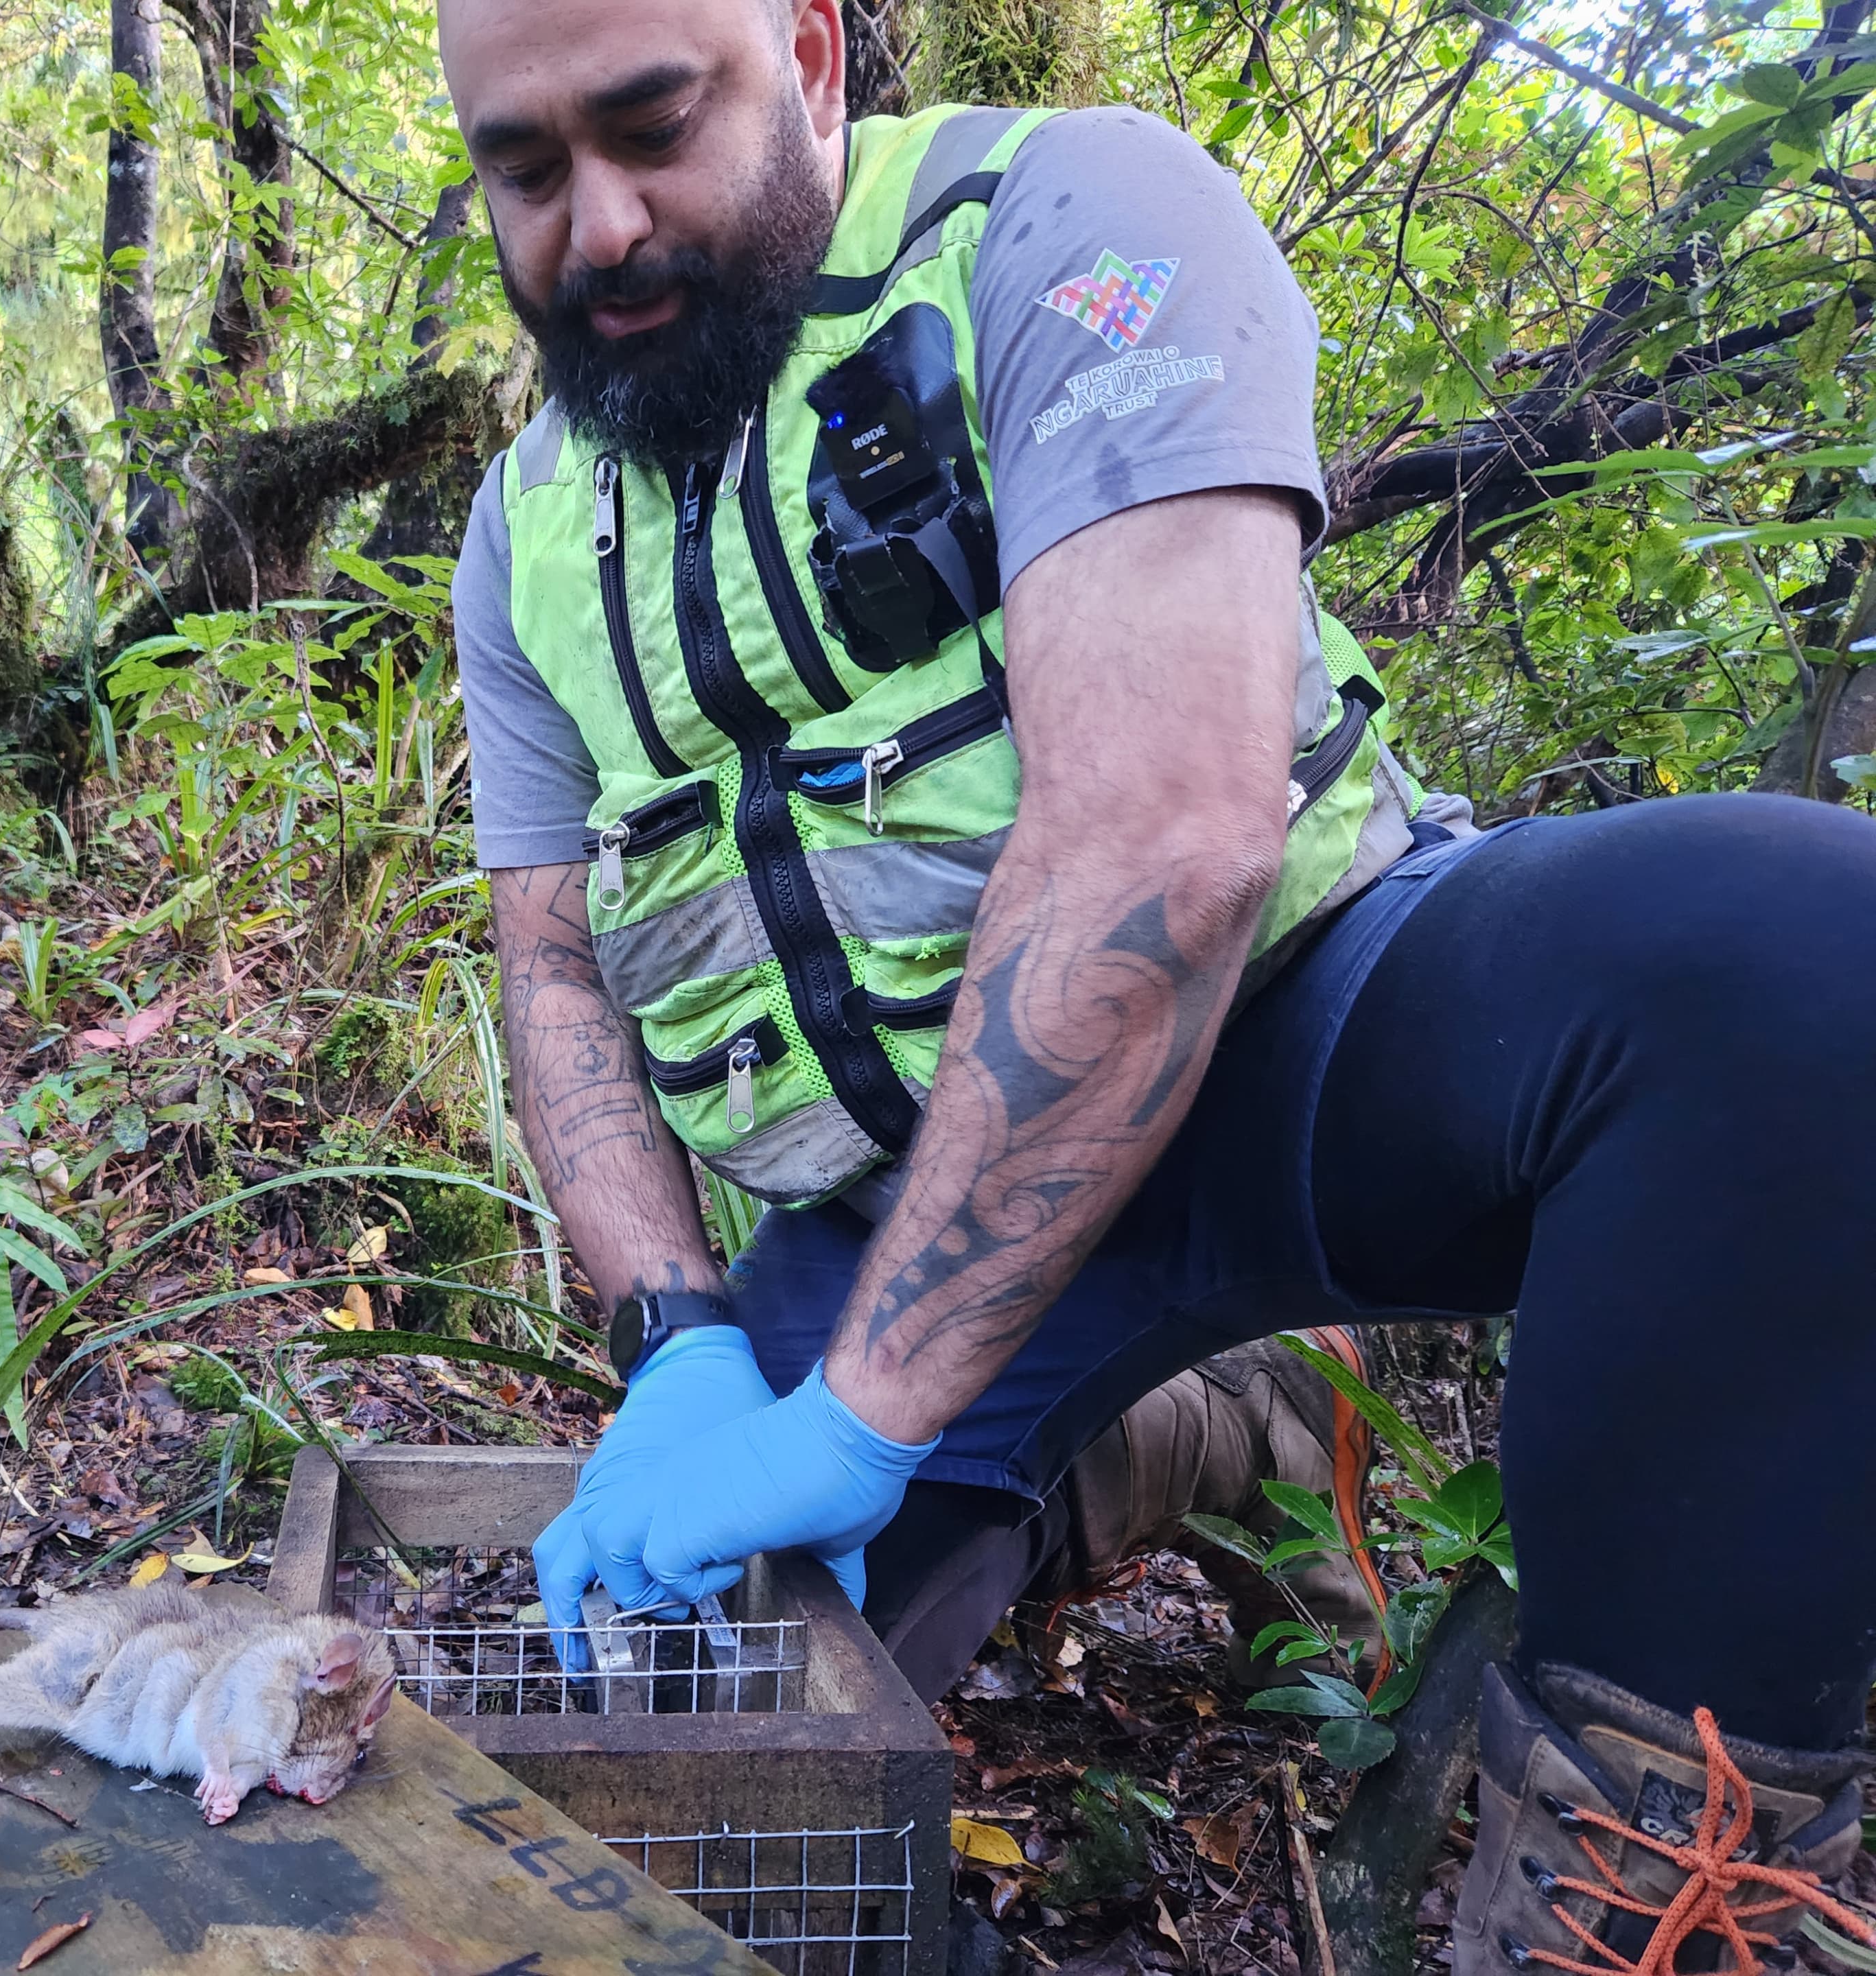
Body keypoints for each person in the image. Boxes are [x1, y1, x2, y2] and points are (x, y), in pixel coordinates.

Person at [437, 0, 1876, 1967]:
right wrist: (683, 1341)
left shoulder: (1071, 230)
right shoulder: (522, 539)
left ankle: (1656, 1894)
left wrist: (859, 1411)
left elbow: (1165, 835)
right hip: (890, 1201)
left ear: (811, 51)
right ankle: (1197, 1420)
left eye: (651, 125)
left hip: (1316, 1045)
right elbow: (557, 978)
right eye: (527, 170)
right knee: (659, 1739)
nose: (597, 226)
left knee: (1790, 955)